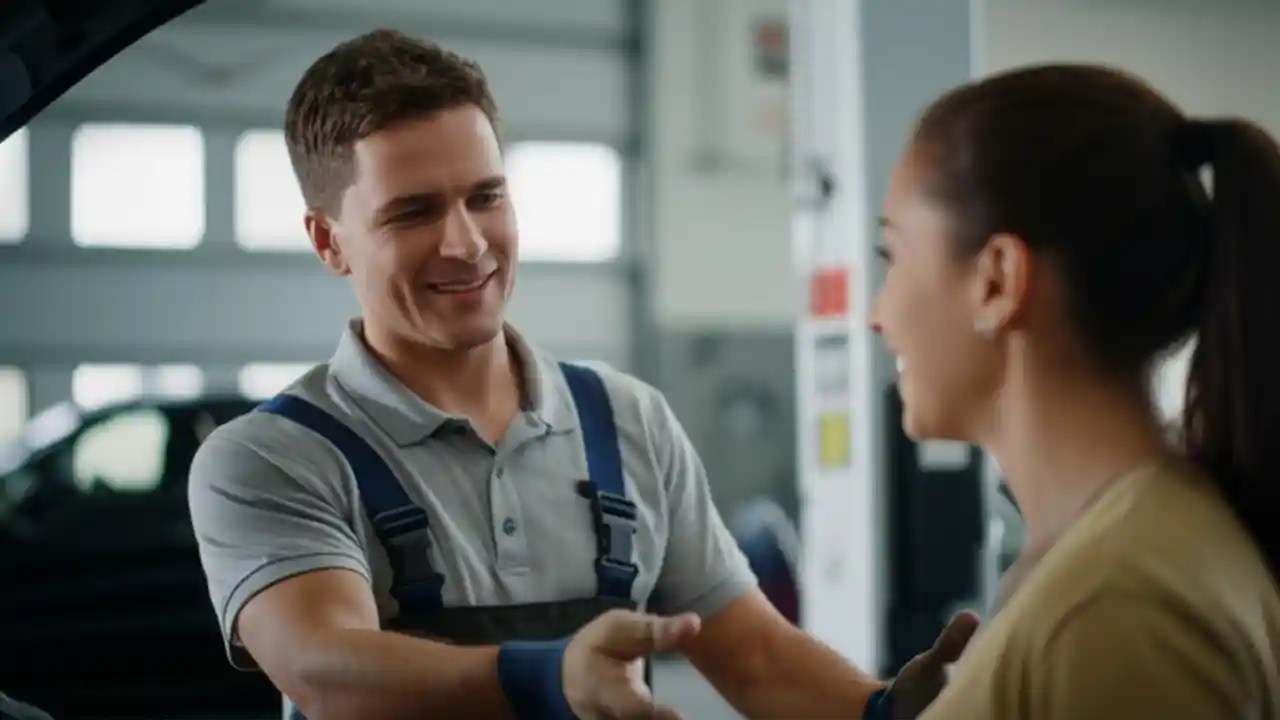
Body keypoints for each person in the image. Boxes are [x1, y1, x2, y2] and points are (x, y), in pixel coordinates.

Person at [187, 29, 977, 720]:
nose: (466, 243)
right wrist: (546, 676)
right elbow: (326, 670)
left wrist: (885, 711)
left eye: (485, 196)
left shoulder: (627, 420)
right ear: (329, 242)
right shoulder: (268, 459)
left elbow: (755, 657)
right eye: (413, 212)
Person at [869, 63, 1280, 719]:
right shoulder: (1112, 561)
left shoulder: (1121, 603)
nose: (876, 313)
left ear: (997, 280)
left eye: (892, 258)